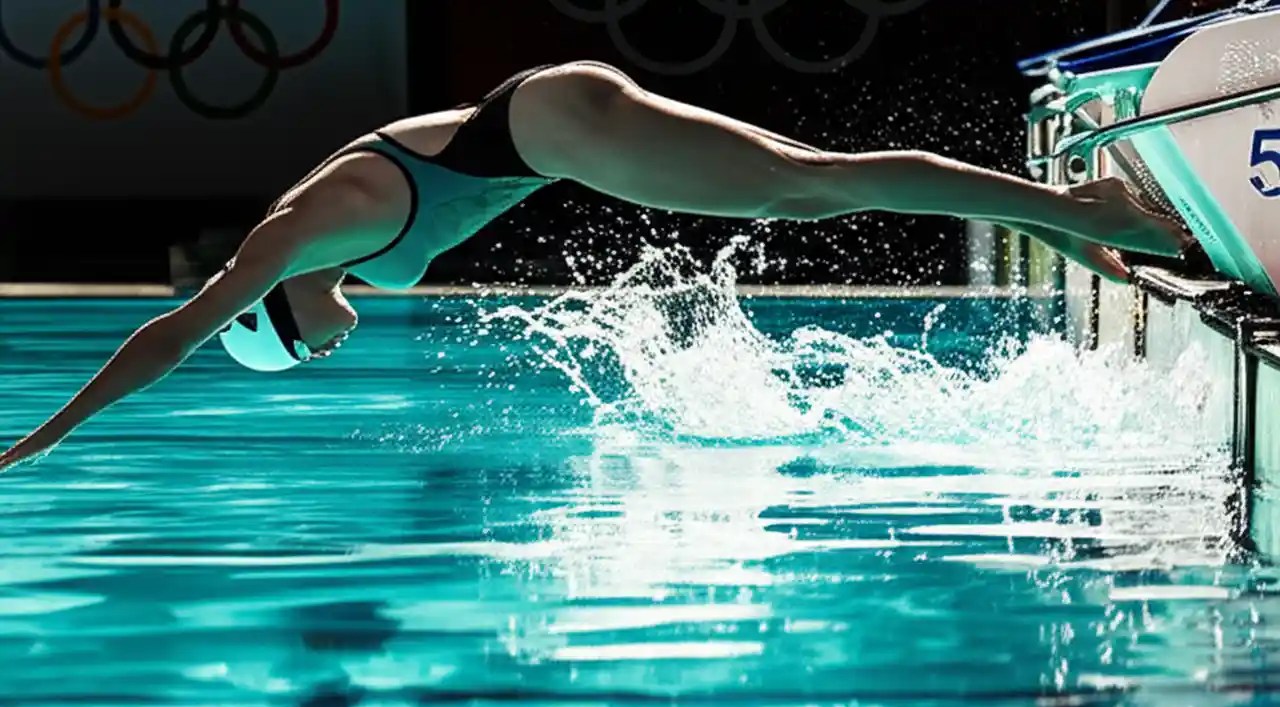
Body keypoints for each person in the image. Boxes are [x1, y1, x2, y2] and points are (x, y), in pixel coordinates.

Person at [0, 60, 1187, 472]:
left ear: (270, 313)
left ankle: (1077, 210)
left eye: (302, 344)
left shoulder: (303, 233)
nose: (332, 344)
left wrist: (52, 432)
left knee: (812, 185)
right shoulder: (333, 249)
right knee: (810, 179)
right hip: (556, 132)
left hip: (556, 129)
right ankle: (1065, 211)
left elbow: (175, 331)